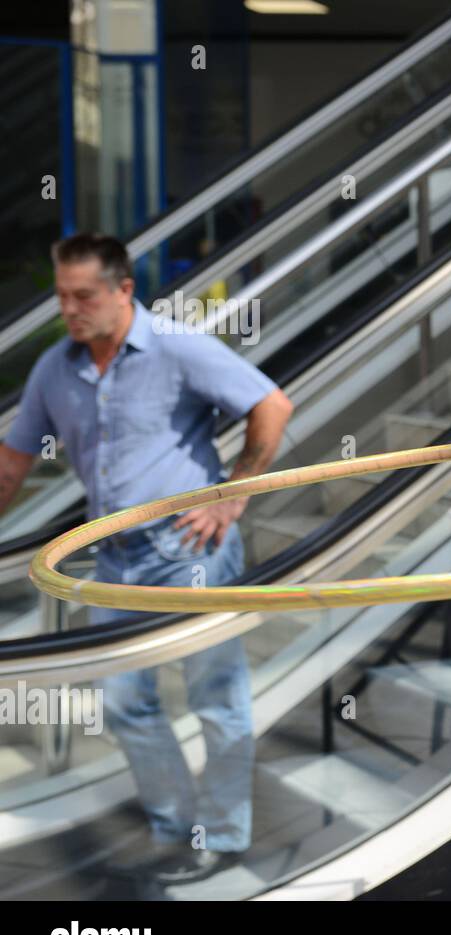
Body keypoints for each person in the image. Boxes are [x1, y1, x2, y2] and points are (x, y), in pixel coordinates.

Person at [0, 233, 294, 883]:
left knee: (216, 700)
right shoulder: (56, 368)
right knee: (125, 701)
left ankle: (221, 835)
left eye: (84, 296)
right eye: (61, 296)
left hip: (192, 551)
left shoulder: (175, 347)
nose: (70, 309)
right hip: (116, 563)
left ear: (123, 289)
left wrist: (230, 498)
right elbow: (11, 465)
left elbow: (271, 405)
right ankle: (174, 826)